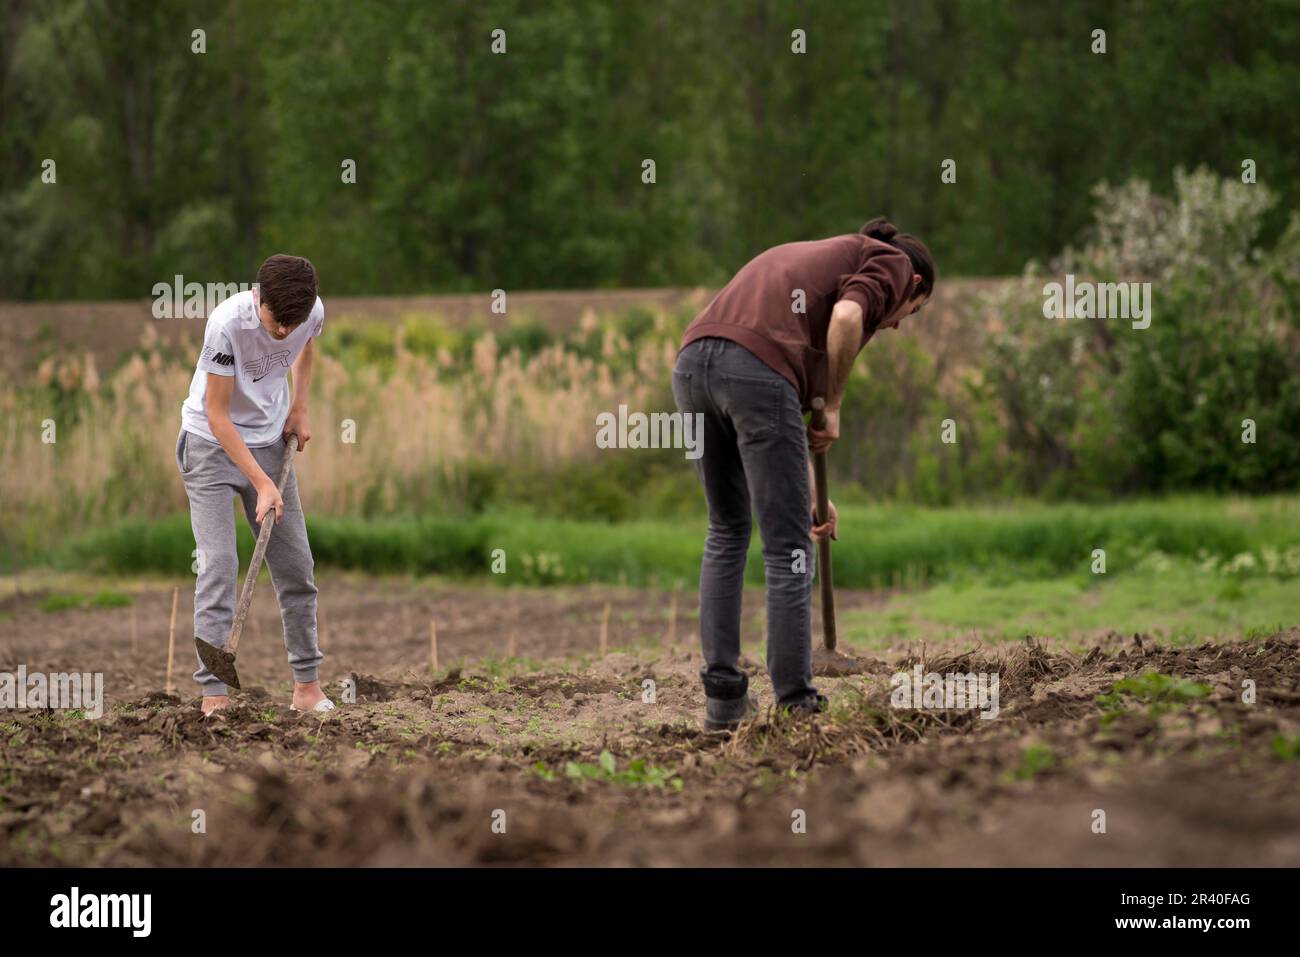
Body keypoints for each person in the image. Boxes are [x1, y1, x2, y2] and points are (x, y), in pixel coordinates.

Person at [673, 218, 935, 730]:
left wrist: (813, 491)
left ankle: (724, 705)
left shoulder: (819, 262)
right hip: (751, 370)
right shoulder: (894, 263)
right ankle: (796, 703)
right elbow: (846, 318)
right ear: (916, 287)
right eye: (912, 312)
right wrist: (834, 403)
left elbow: (782, 408)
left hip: (692, 365)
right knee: (788, 547)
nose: (900, 323)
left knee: (727, 531)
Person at [175, 254, 334, 715]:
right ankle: (214, 694)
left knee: (296, 567)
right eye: (276, 320)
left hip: (268, 442)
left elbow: (306, 346)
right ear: (257, 296)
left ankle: (307, 687)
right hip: (210, 447)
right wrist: (263, 483)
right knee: (219, 565)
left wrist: (299, 407)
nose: (283, 331)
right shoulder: (226, 325)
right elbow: (217, 415)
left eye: (293, 321)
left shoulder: (309, 313)